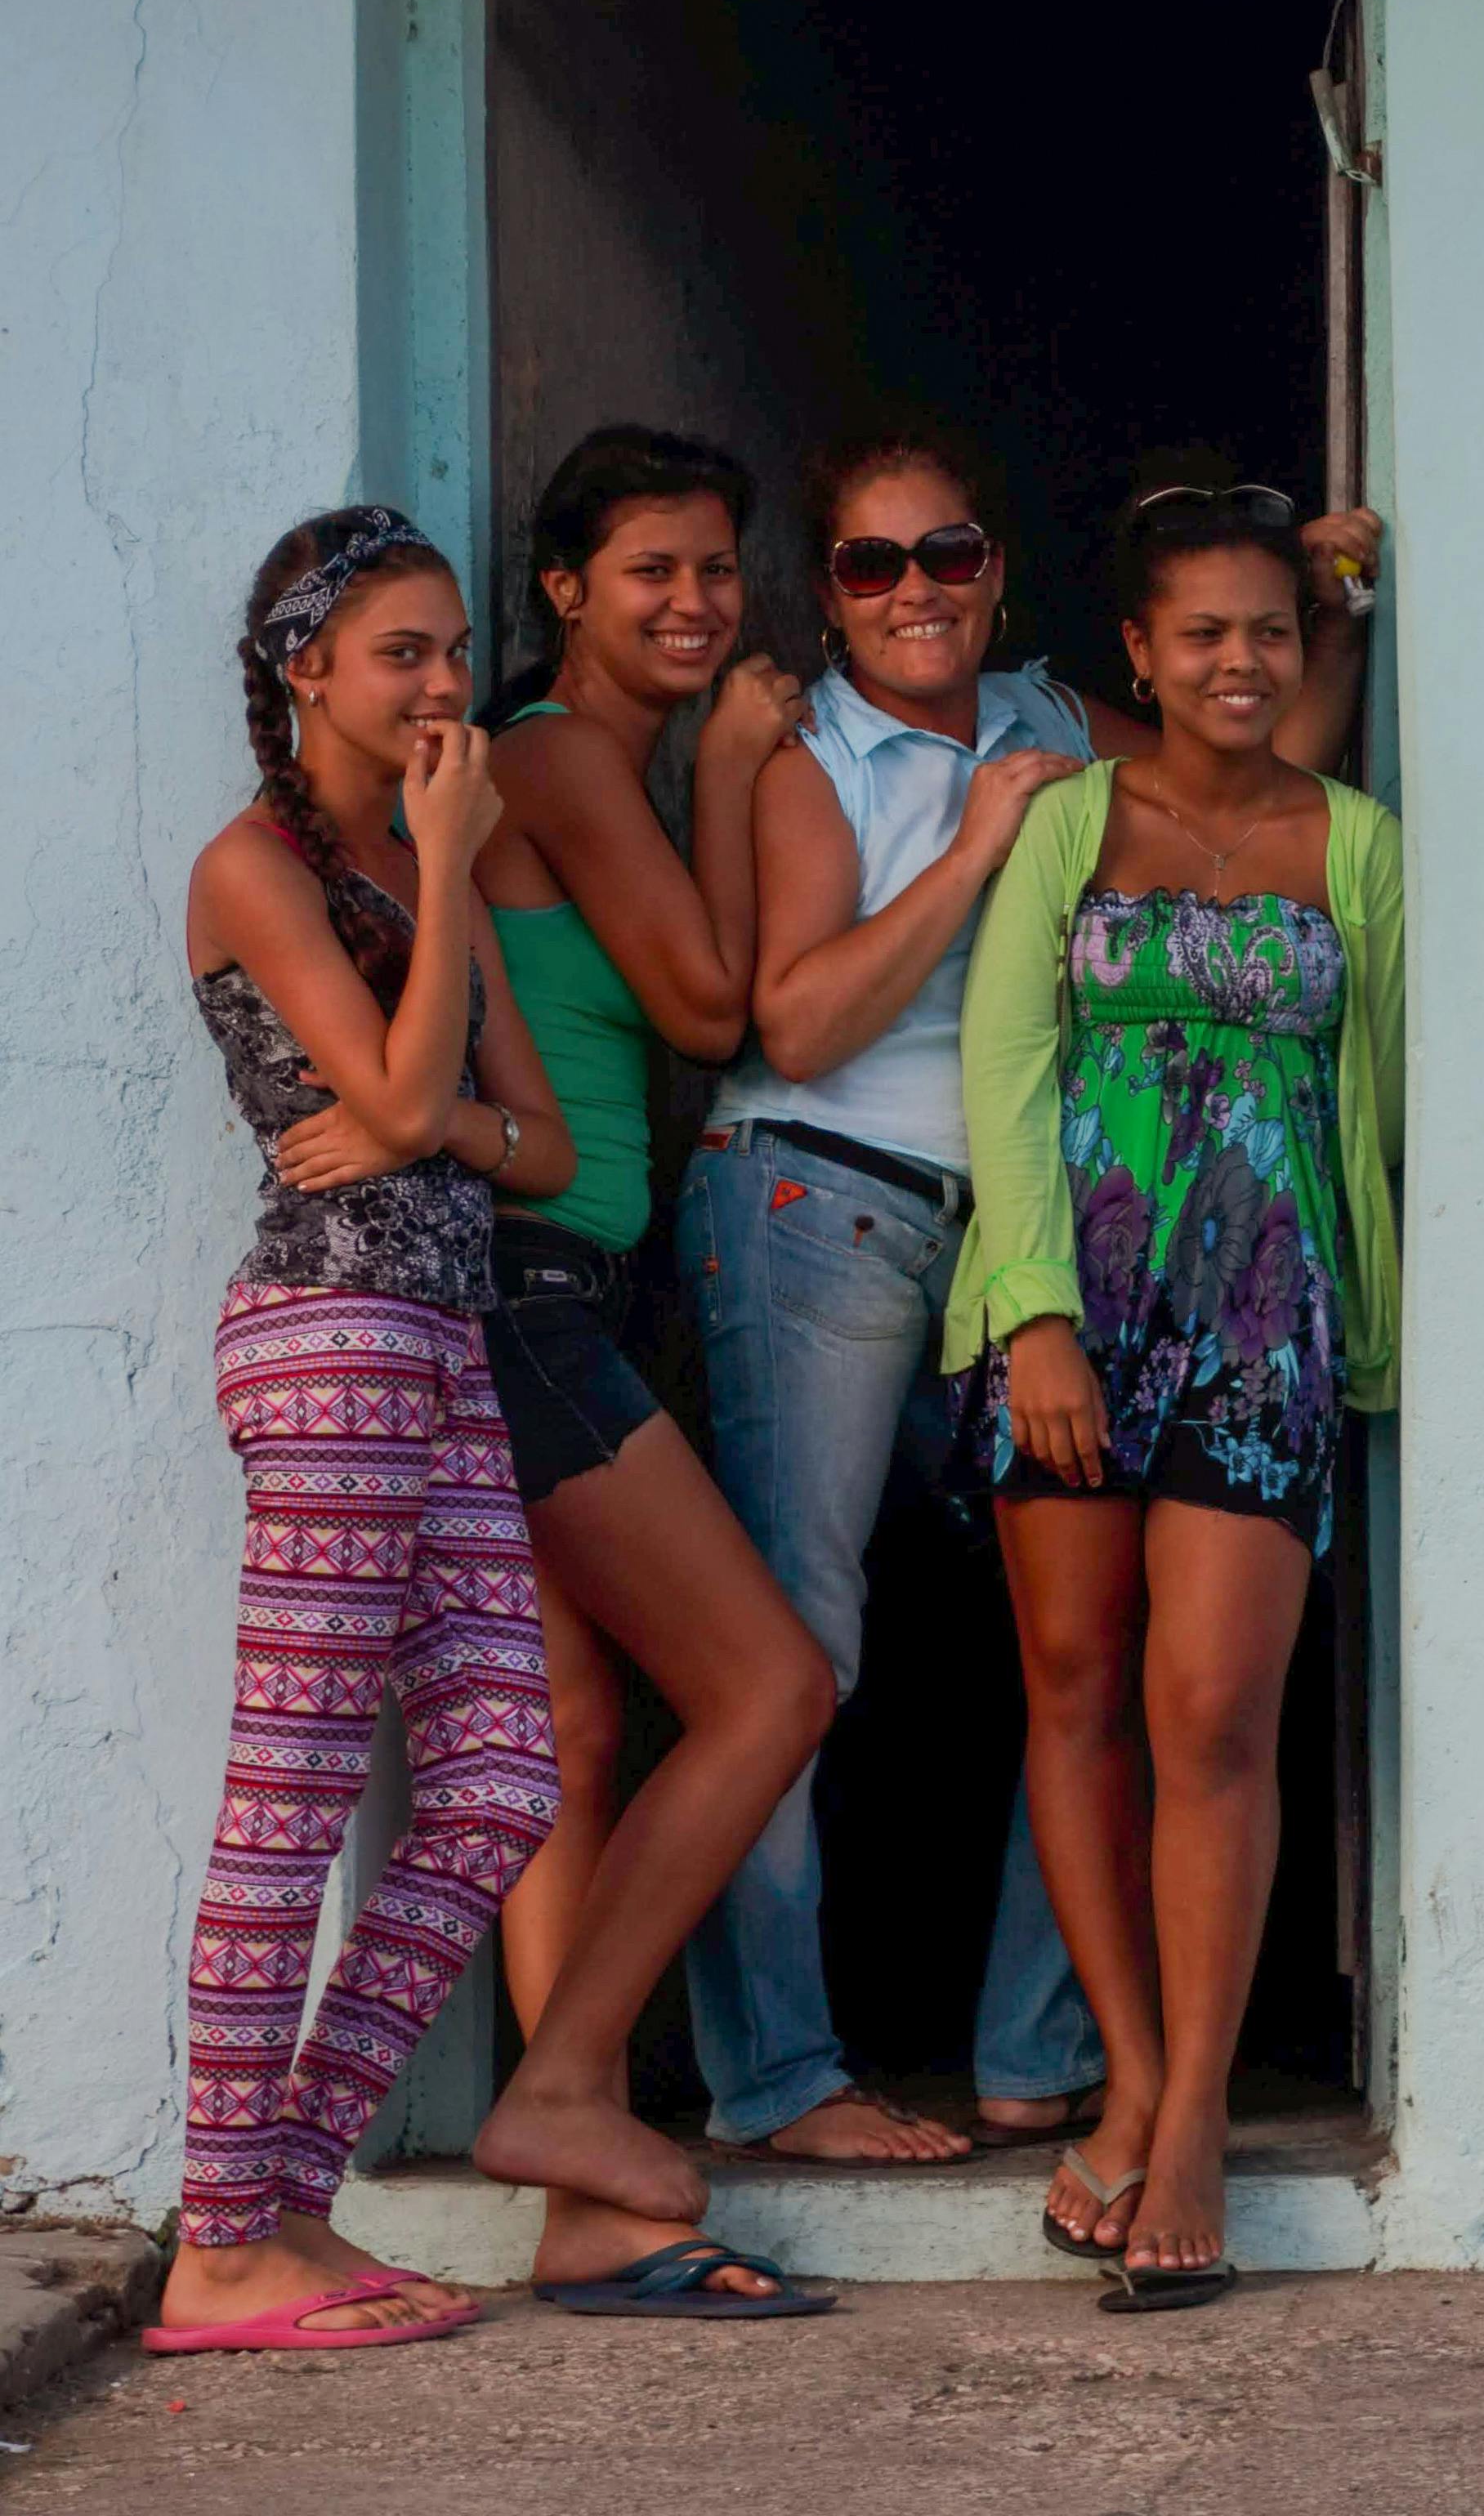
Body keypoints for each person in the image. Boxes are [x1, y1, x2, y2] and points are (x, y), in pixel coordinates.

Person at [679, 430, 1370, 2169]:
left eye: (948, 554)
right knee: (803, 1647)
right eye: (870, 565)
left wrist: (1337, 605)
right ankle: (780, 2074)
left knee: (1118, 1663)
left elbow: (1248, 776)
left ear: (999, 573)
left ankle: (1050, 2063)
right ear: (827, 598)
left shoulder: (1062, 728)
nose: (916, 589)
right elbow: (806, 1024)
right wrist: (981, 852)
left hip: (1036, 1235)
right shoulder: (810, 753)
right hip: (826, 1204)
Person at [946, 478, 1402, 2309]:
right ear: (1137, 651)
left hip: (1260, 1319)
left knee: (1212, 1709)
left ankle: (1195, 2109)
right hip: (1074, 1313)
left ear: (1306, 655)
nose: (1237, 661)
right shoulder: (1072, 822)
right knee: (1076, 1697)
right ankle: (1126, 2070)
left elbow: (1375, 1095)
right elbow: (1004, 1057)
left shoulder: (1356, 844)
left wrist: (1366, 1323)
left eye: (1270, 634)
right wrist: (1034, 1313)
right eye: (1201, 633)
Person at [157, 507, 575, 2353]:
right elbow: (406, 1085)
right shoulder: (254, 867)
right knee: (295, 1794)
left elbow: (530, 1144)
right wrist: (433, 1083)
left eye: (454, 650)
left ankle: (288, 2205)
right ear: (302, 668)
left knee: (499, 1782)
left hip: (443, 1336)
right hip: (327, 1336)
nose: (438, 686)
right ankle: (218, 2240)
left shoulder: (421, 866)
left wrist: (440, 1104)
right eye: (399, 653)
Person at [469, 425, 847, 2314]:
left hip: (574, 1287)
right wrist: (740, 769)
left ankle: (584, 2210)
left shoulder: (586, 757)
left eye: (717, 571)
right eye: (652, 575)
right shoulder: (557, 754)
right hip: (525, 1297)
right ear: (565, 593)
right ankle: (555, 2097)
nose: (696, 603)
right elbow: (708, 1007)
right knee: (770, 1684)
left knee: (576, 1744)